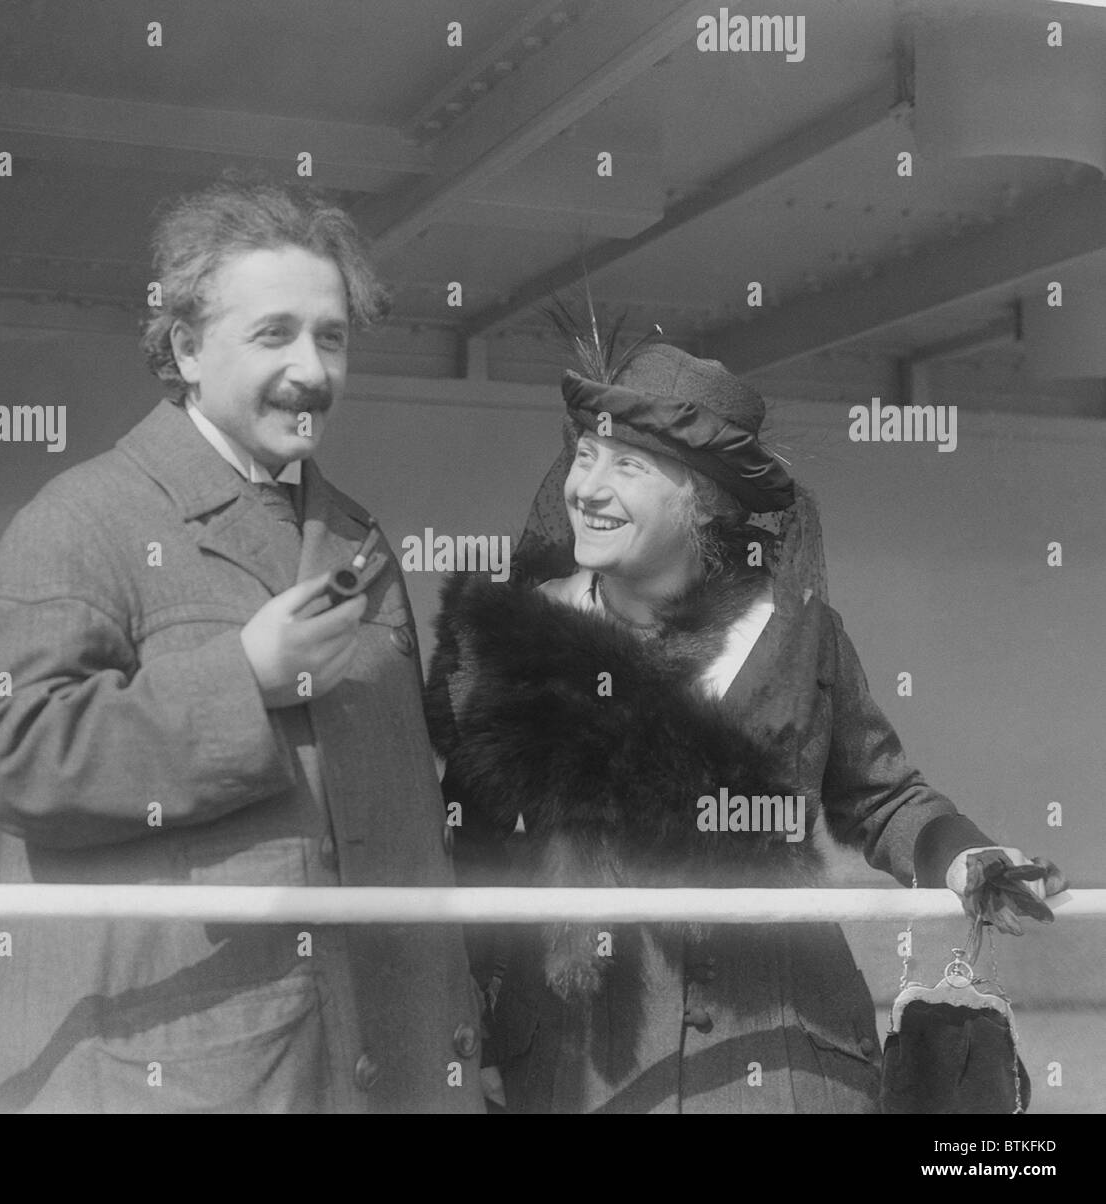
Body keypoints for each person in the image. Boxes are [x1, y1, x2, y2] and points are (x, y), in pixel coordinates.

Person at [424, 326, 1066, 1114]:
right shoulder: (516, 642)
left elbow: (882, 798)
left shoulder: (797, 636)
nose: (587, 486)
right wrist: (480, 1035)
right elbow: (472, 859)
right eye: (585, 455)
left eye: (627, 464)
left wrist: (966, 858)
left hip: (789, 1065)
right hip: (583, 1071)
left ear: (705, 501)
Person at [0, 178, 483, 1114]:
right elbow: (13, 755)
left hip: (383, 1060)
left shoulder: (359, 536)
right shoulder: (84, 518)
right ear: (187, 348)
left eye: (331, 336)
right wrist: (244, 677)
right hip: (197, 1069)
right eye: (274, 334)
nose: (312, 369)